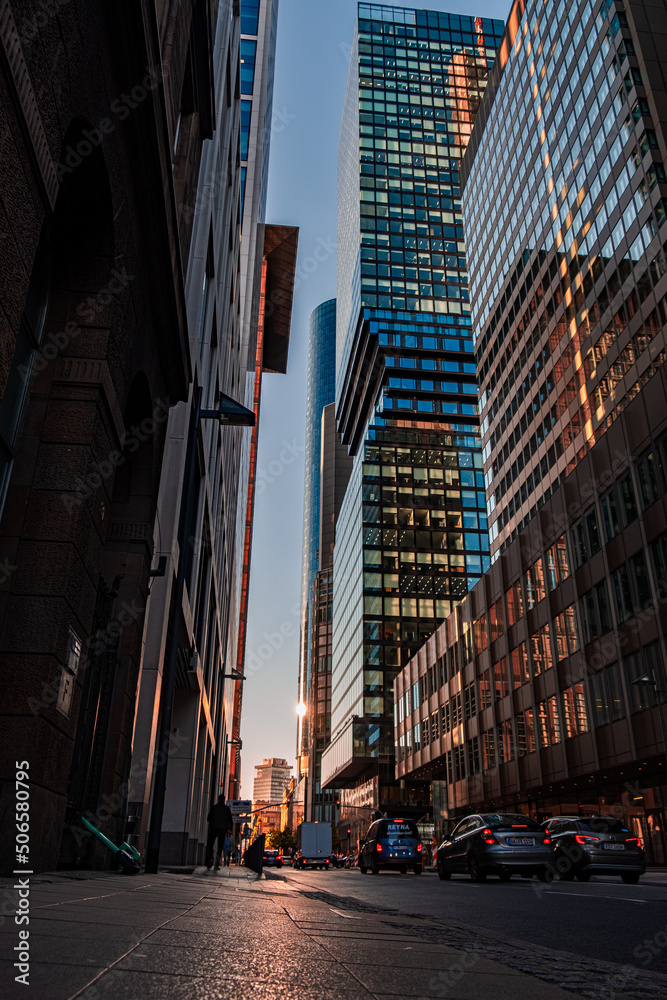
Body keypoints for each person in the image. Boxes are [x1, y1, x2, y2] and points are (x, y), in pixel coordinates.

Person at [206, 796, 233, 870]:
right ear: (224, 800)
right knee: (220, 846)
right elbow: (230, 820)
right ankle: (216, 864)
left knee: (211, 843)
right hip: (223, 829)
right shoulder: (227, 809)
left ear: (218, 799)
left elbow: (208, 818)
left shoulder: (214, 807)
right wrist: (230, 829)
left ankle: (210, 859)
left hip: (214, 828)